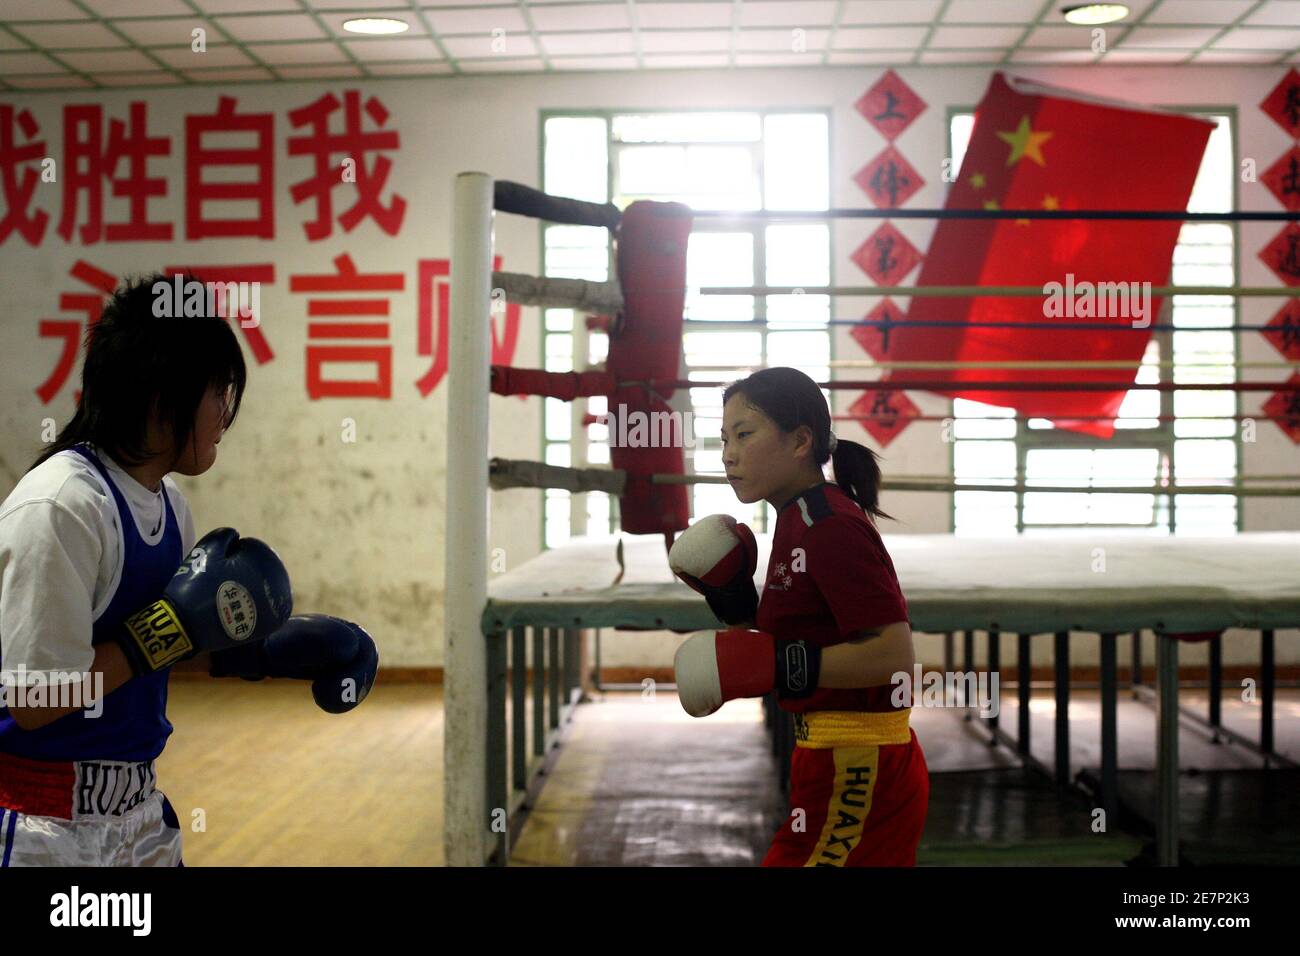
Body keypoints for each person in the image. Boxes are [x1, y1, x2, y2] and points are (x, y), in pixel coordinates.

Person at [0, 274, 377, 867]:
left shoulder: (170, 503)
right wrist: (167, 627)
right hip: (43, 822)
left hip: (136, 809)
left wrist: (267, 654)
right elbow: (34, 699)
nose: (226, 414)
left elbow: (151, 653)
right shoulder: (62, 507)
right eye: (218, 393)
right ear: (160, 397)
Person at [669, 366, 929, 867]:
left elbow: (894, 655)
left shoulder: (829, 526)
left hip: (861, 764)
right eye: (724, 438)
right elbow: (797, 636)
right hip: (830, 758)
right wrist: (734, 601)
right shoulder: (796, 517)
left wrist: (785, 663)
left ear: (800, 441)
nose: (728, 454)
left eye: (745, 434)